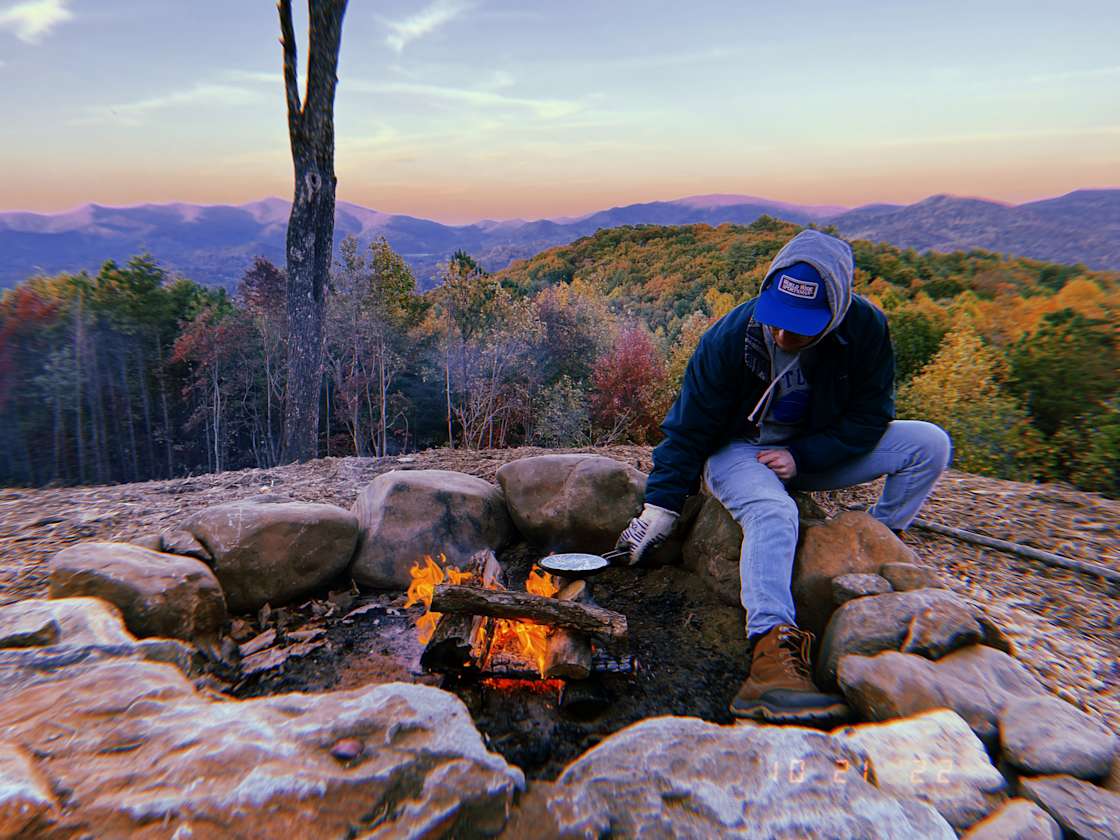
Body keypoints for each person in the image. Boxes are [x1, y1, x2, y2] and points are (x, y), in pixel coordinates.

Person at [612, 228, 952, 723]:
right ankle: (769, 659)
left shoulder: (866, 329)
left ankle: (882, 537)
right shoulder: (730, 338)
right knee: (774, 511)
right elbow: (686, 431)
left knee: (929, 444)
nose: (783, 335)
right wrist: (659, 508)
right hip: (741, 452)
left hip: (810, 450)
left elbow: (868, 418)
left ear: (836, 310)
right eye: (778, 321)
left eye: (801, 327)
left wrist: (803, 457)